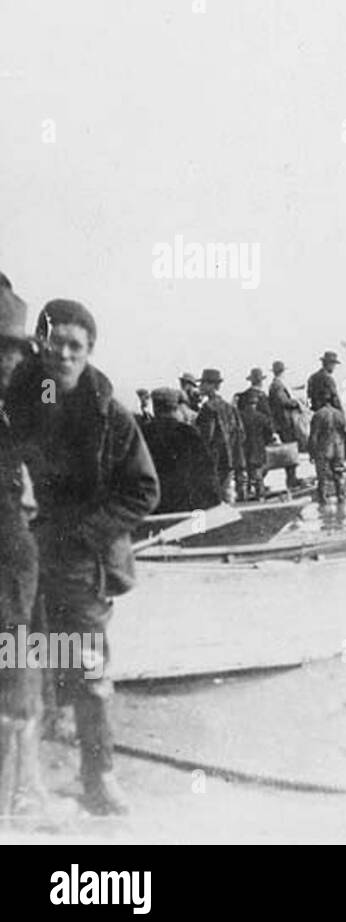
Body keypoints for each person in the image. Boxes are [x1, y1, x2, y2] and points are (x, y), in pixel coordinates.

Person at [9, 298, 160, 816]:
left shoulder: (110, 416)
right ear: (41, 343)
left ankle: (100, 777)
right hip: (25, 553)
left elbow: (143, 490)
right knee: (24, 661)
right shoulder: (25, 398)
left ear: (89, 351)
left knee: (88, 668)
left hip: (80, 559)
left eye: (76, 346)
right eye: (56, 342)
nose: (64, 354)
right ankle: (27, 782)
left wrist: (86, 535)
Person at [0, 277, 47, 818]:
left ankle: (25, 784)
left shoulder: (21, 403)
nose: (13, 362)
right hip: (9, 567)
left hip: (20, 561)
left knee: (27, 660)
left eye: (15, 352)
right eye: (6, 351)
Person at [141, 388, 222, 513]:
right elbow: (206, 472)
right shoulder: (188, 433)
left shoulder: (144, 433)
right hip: (185, 505)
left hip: (153, 505)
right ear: (177, 407)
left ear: (155, 408)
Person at [194, 368, 246, 503]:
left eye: (203, 383)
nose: (200, 386)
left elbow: (205, 437)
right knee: (227, 491)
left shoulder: (208, 408)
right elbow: (240, 434)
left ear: (211, 386)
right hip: (230, 458)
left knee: (213, 495)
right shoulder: (230, 408)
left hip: (214, 459)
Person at [235, 368, 275, 500]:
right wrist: (269, 439)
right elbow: (269, 428)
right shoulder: (262, 408)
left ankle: (244, 497)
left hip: (243, 447)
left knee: (243, 475)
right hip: (258, 446)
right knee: (258, 474)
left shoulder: (240, 408)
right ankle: (260, 497)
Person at [267, 360, 304, 489]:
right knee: (290, 450)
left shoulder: (276, 384)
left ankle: (292, 478)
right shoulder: (277, 385)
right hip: (284, 423)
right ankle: (291, 480)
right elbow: (283, 401)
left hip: (283, 422)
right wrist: (297, 402)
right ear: (282, 372)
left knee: (290, 450)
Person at [308, 398, 346, 504]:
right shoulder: (339, 414)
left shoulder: (318, 415)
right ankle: (341, 499)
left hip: (324, 449)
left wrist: (312, 453)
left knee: (323, 478)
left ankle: (323, 504)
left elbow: (313, 436)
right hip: (339, 448)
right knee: (339, 476)